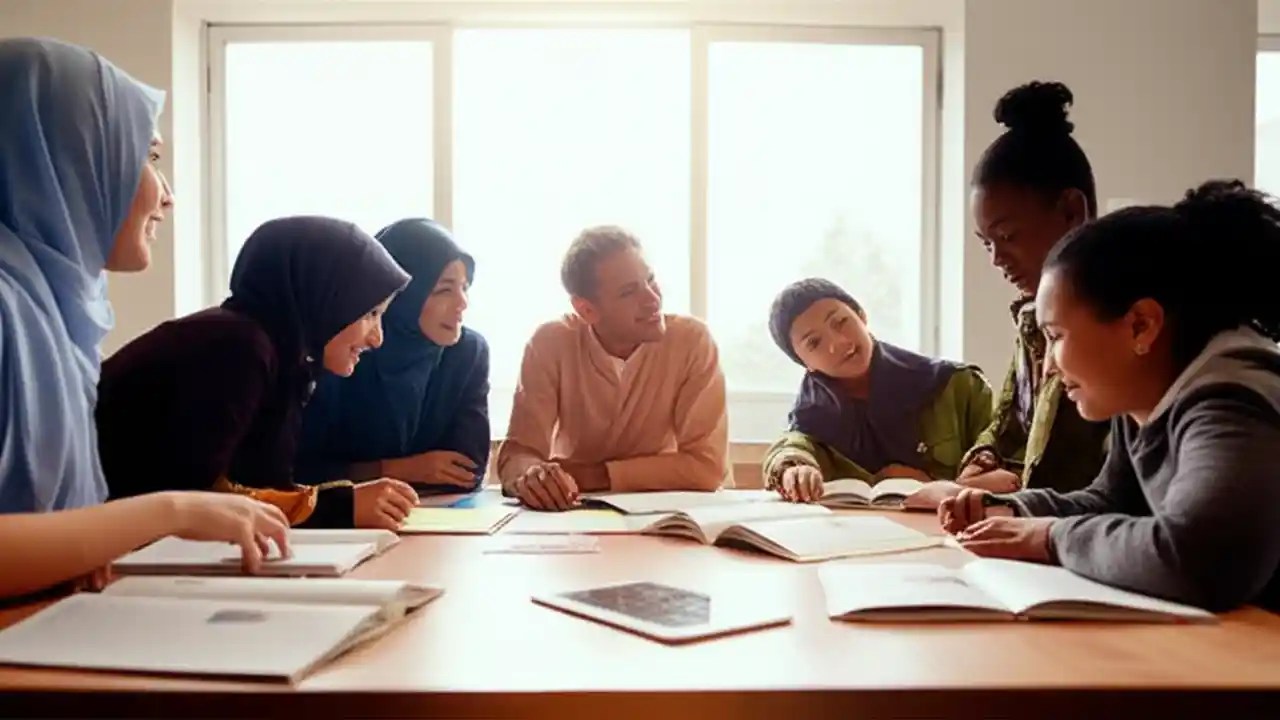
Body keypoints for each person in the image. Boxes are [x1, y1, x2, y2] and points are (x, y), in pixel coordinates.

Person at [0, 37, 289, 599]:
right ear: (62, 154)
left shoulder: (56, 316)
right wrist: (170, 511)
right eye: (148, 157)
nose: (167, 195)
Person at [940, 180, 1280, 612]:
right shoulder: (1149, 390)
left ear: (1141, 326)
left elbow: (1201, 558)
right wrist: (1009, 511)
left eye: (1056, 336)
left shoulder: (1234, 401)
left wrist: (1049, 538)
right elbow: (1112, 501)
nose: (1048, 366)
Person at [96, 216, 419, 530]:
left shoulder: (282, 358)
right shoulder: (234, 346)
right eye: (370, 314)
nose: (377, 338)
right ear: (324, 296)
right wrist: (339, 506)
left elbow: (258, 485)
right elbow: (194, 501)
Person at [497, 226, 729, 510]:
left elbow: (707, 468)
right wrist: (533, 476)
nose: (653, 299)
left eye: (650, 280)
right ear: (587, 311)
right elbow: (518, 454)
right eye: (629, 292)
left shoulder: (692, 341)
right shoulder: (550, 343)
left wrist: (592, 475)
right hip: (573, 512)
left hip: (665, 513)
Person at [958, 80, 1111, 495]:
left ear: (1070, 212)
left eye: (1006, 236)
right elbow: (1009, 427)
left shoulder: (1118, 324)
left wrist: (1019, 503)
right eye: (986, 243)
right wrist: (982, 462)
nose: (996, 258)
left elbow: (1104, 486)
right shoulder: (1033, 320)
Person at [297, 218, 490, 493]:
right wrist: (401, 469)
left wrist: (362, 470)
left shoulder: (467, 353)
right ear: (402, 295)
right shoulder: (346, 348)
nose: (462, 304)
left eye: (465, 287)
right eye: (444, 290)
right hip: (336, 521)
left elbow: (467, 469)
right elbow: (301, 469)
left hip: (432, 518)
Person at [761, 279, 992, 503]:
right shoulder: (811, 420)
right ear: (804, 363)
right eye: (814, 343)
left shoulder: (958, 387)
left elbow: (1007, 466)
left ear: (861, 315)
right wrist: (793, 470)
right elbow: (791, 448)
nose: (838, 343)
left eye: (840, 322)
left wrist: (949, 488)